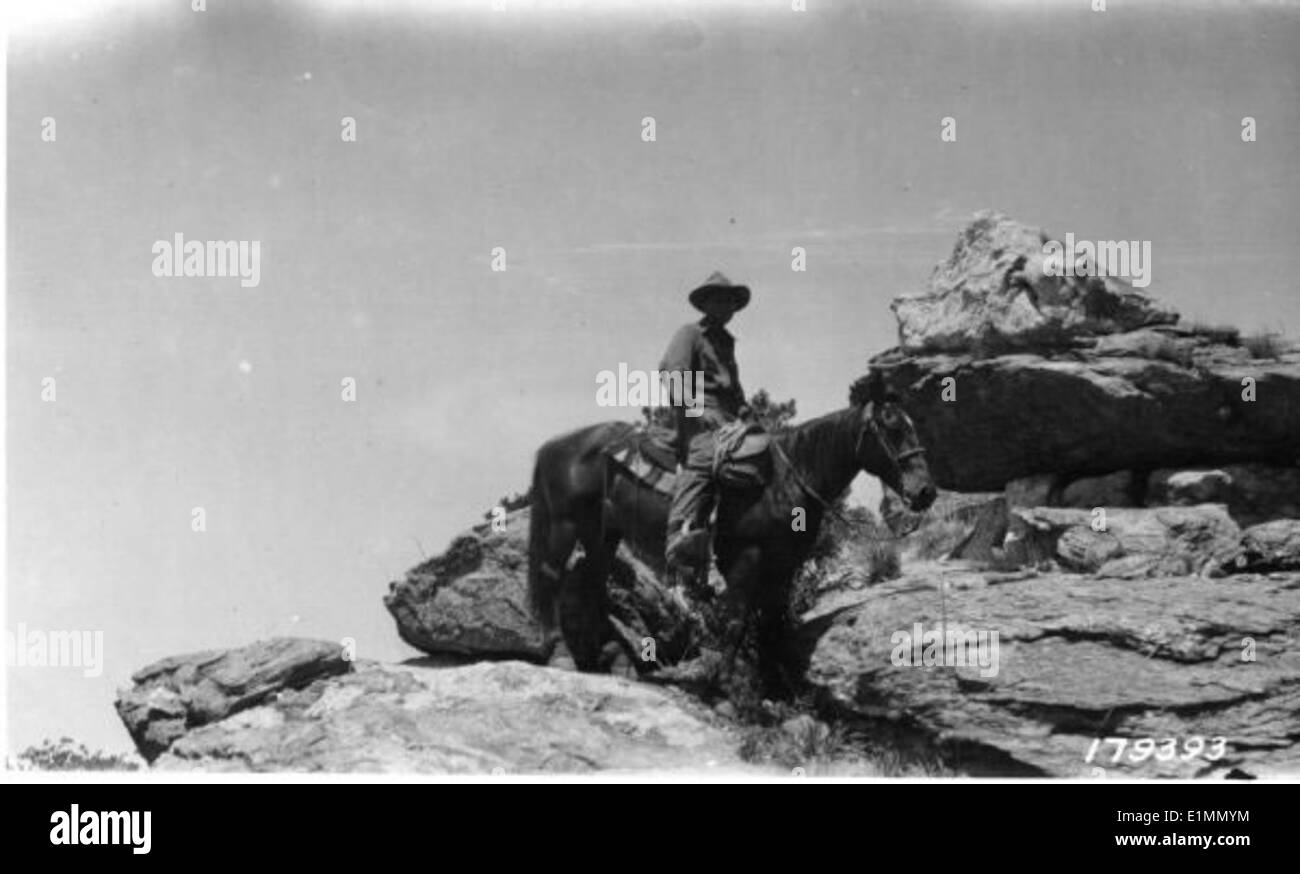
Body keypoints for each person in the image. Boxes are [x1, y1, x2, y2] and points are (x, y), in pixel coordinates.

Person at [659, 271, 752, 578]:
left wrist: (747, 413)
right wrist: (698, 410)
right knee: (705, 459)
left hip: (729, 422)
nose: (726, 306)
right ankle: (678, 535)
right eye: (719, 299)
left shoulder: (726, 344)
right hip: (698, 423)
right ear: (706, 304)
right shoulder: (690, 334)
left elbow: (734, 392)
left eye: (730, 301)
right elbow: (672, 373)